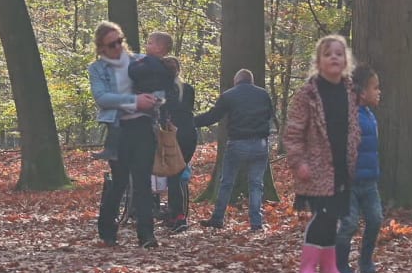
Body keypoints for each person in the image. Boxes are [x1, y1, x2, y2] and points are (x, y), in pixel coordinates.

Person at [284, 35, 361, 273]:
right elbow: (294, 132)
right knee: (324, 215)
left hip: (342, 165)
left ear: (346, 60)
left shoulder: (350, 91)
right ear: (318, 62)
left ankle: (329, 267)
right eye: (327, 54)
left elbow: (354, 127)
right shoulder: (308, 94)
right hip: (316, 167)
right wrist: (299, 162)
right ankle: (307, 268)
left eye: (339, 54)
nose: (334, 58)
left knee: (335, 216)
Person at [89, 21, 161, 249]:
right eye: (112, 44)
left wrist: (154, 100)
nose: (118, 47)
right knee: (118, 182)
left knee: (142, 181)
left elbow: (160, 85)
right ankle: (107, 231)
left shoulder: (140, 61)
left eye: (120, 41)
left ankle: (147, 235)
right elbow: (102, 98)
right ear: (102, 48)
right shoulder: (97, 69)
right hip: (118, 130)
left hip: (143, 127)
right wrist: (134, 101)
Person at [194, 69, 276, 232]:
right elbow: (270, 115)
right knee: (256, 184)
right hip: (260, 144)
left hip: (237, 143)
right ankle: (256, 223)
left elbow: (212, 116)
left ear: (236, 81)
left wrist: (191, 121)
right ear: (251, 80)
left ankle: (218, 218)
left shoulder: (229, 95)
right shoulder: (263, 94)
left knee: (226, 182)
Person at [93, 31, 175, 161]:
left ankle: (111, 150)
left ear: (159, 48)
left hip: (145, 95)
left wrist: (133, 66)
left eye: (150, 43)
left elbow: (135, 72)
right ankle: (112, 150)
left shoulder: (148, 61)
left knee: (117, 119)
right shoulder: (165, 65)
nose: (146, 46)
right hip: (156, 97)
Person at [335, 65, 383, 273]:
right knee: (349, 223)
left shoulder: (369, 115)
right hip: (349, 183)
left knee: (375, 219)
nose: (379, 92)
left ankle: (365, 262)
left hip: (369, 182)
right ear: (362, 92)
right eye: (375, 88)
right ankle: (340, 265)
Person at [162, 56, 197, 233]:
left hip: (175, 135)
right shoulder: (188, 89)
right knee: (178, 175)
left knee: (174, 176)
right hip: (190, 134)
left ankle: (179, 216)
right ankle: (175, 213)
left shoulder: (163, 91)